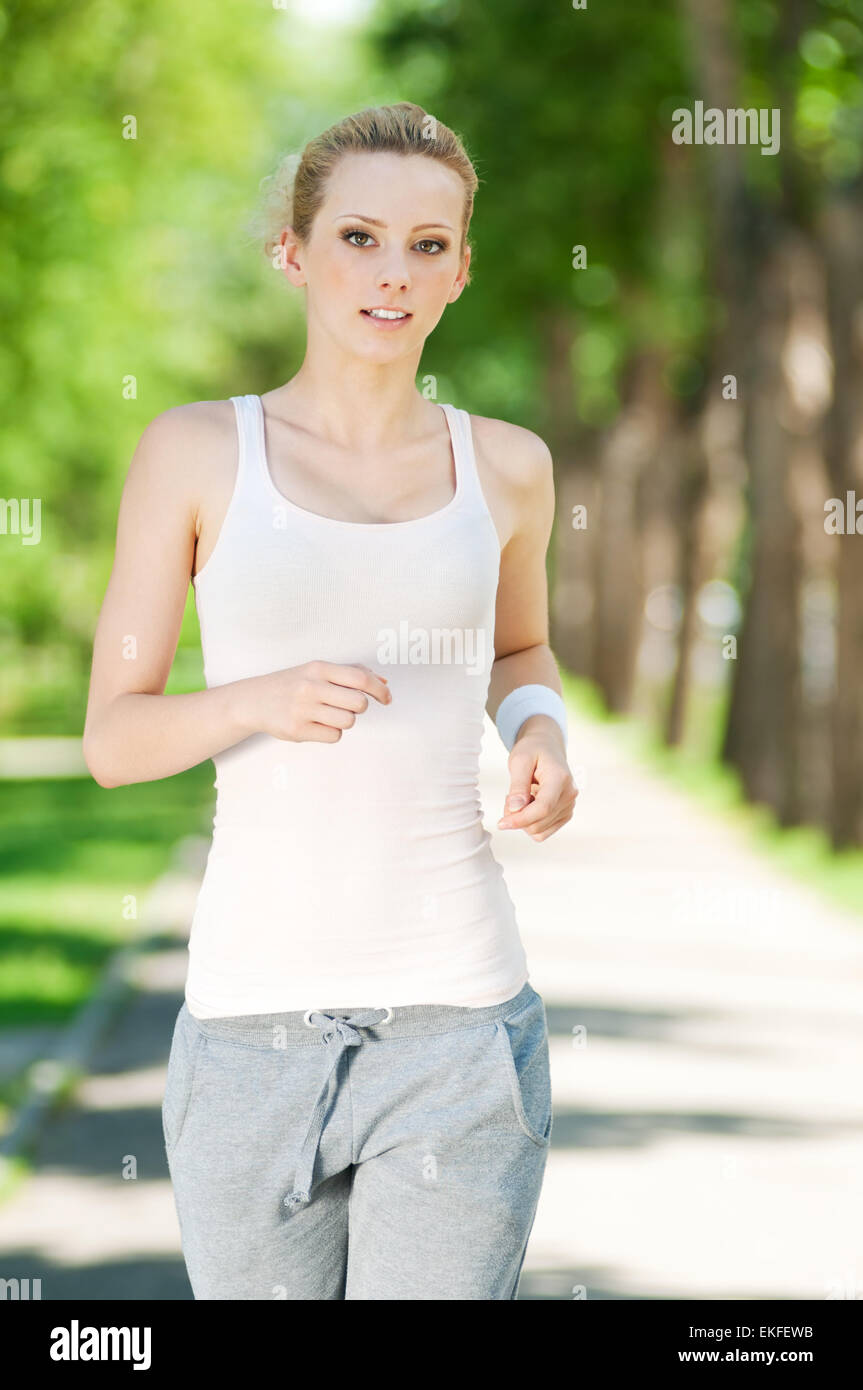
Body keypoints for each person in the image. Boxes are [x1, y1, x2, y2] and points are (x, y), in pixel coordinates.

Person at [83, 102, 578, 1300]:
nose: (391, 273)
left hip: (459, 1023)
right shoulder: (197, 454)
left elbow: (521, 648)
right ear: (292, 252)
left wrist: (538, 730)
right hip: (251, 1030)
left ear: (461, 266)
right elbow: (113, 738)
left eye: (425, 244)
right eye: (358, 236)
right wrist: (254, 699)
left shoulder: (506, 466)